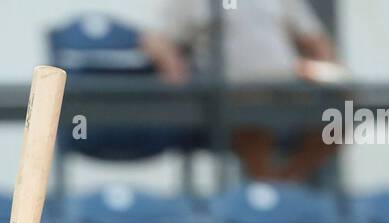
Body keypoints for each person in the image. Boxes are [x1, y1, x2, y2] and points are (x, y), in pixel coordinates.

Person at [142, 0, 345, 182]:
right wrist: (175, 70)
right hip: (232, 89)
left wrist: (328, 70)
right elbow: (156, 39)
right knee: (252, 109)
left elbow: (314, 39)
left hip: (288, 83)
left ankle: (286, 182)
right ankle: (265, 186)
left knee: (344, 109)